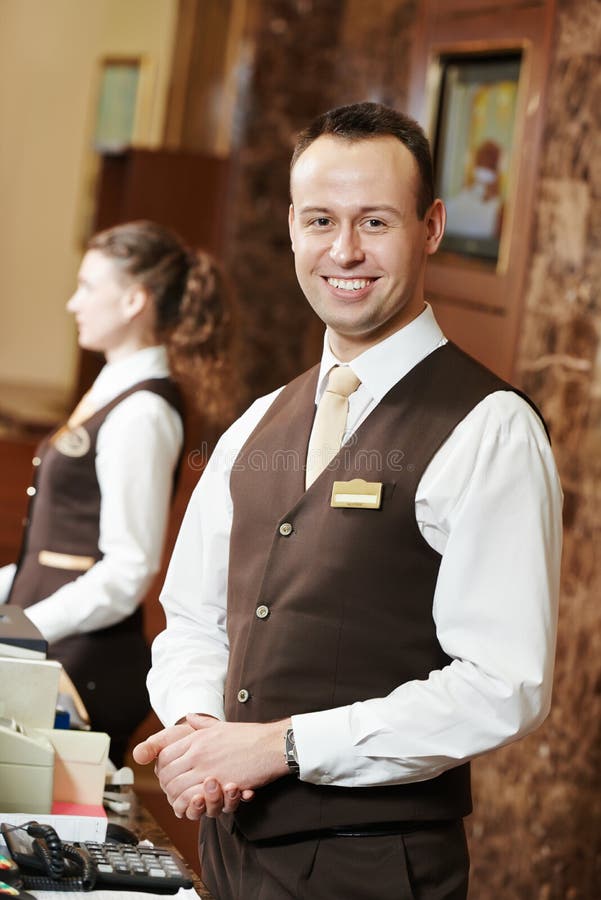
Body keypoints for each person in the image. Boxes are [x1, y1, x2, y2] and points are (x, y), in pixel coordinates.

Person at [133, 103, 562, 899]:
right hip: (230, 854)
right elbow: (194, 616)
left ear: (430, 226)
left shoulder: (489, 428)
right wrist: (198, 729)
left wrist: (283, 745)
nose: (344, 251)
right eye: (320, 220)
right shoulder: (258, 422)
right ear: (292, 228)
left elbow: (504, 683)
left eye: (375, 221)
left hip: (373, 868)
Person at [0, 220, 234, 767]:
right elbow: (51, 550)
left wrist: (23, 628)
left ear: (134, 300)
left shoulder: (142, 412)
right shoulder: (113, 389)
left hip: (81, 667)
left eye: (87, 287)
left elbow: (129, 570)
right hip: (49, 651)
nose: (72, 303)